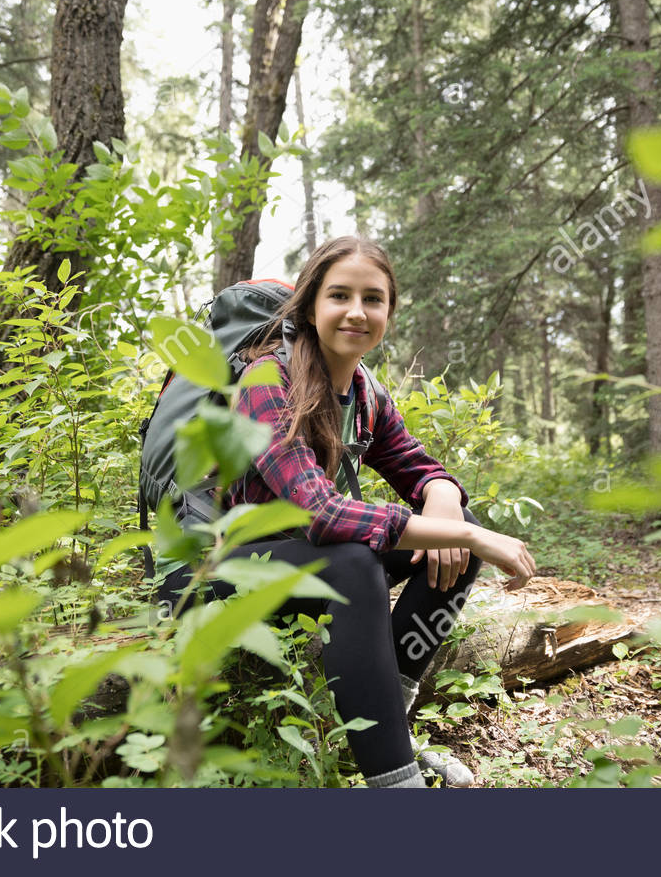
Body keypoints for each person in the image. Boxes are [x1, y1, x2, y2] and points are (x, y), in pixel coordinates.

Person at [157, 236, 536, 787]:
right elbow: (323, 515)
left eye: (373, 299)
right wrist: (473, 538)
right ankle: (396, 786)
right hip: (214, 573)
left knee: (455, 533)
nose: (357, 311)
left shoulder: (363, 393)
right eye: (340, 295)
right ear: (311, 307)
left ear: (389, 312)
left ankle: (388, 735)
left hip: (293, 569)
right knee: (360, 560)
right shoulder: (265, 382)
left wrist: (449, 502)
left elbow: (419, 467)